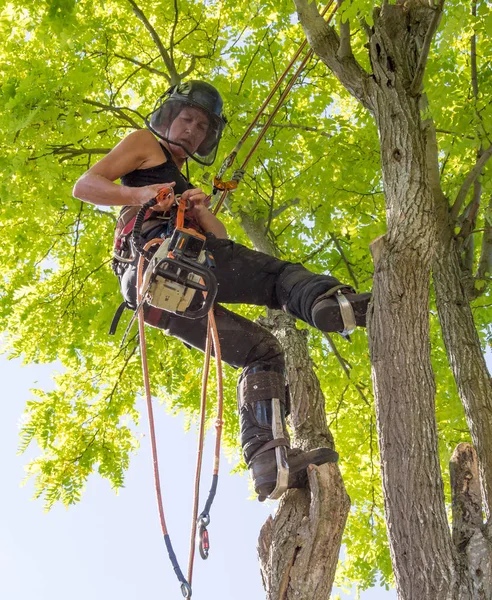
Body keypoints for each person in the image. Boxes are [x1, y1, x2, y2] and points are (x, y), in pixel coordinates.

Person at [73, 80, 370, 501]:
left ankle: (270, 463)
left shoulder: (183, 183)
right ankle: (327, 303)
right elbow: (85, 185)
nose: (192, 130)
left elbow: (222, 240)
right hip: (160, 263)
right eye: (187, 119)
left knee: (264, 352)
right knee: (277, 277)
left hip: (176, 289)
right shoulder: (144, 145)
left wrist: (200, 210)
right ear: (169, 116)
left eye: (202, 126)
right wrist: (141, 194)